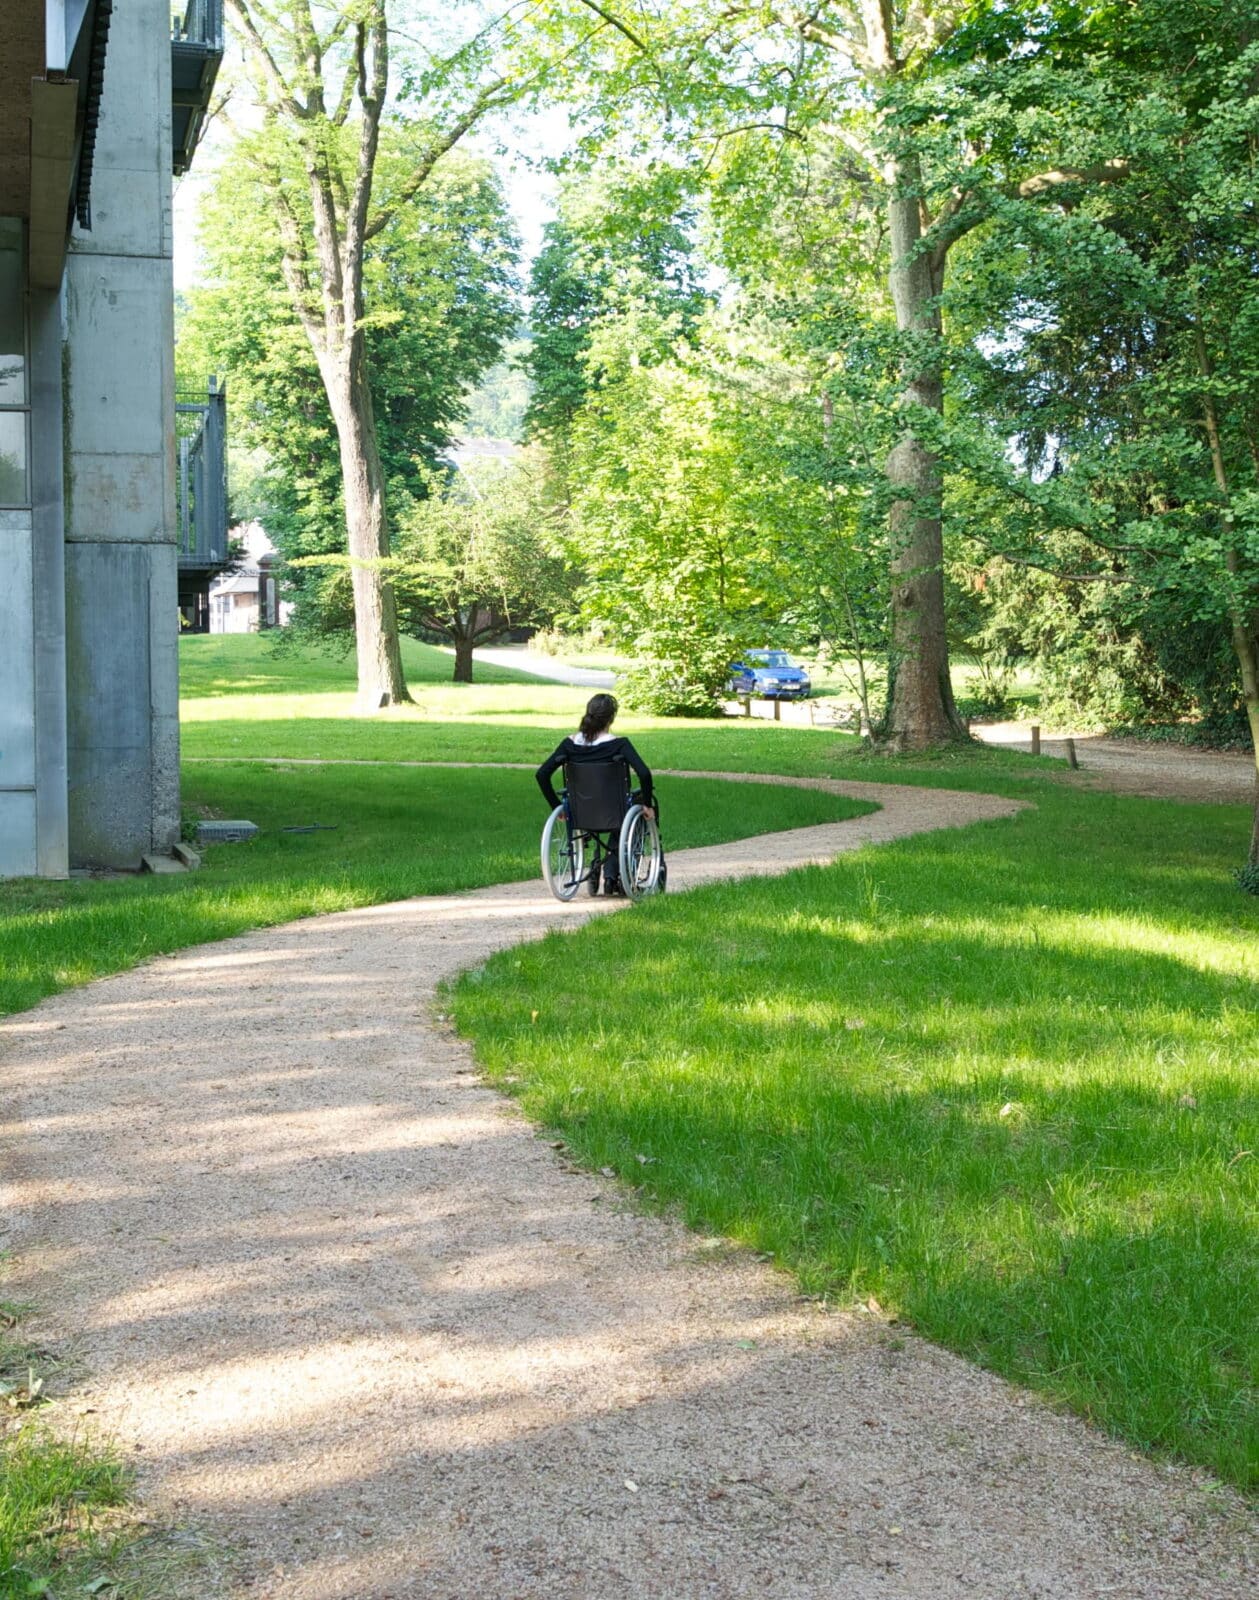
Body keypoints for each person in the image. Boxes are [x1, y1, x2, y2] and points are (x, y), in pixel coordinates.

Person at [536, 692, 656, 895]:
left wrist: (556, 806)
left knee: (618, 811)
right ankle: (613, 875)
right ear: (611, 718)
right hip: (614, 811)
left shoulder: (569, 745)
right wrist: (647, 804)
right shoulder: (619, 745)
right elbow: (644, 774)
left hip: (580, 812)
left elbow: (541, 775)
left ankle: (600, 867)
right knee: (637, 803)